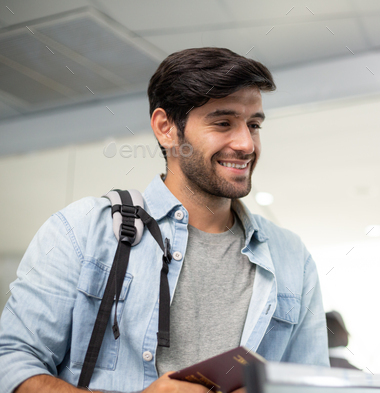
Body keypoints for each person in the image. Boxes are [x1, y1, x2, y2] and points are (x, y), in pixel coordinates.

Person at [0, 47, 329, 393]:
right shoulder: (83, 231)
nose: (246, 143)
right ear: (166, 128)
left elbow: (314, 386)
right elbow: (9, 363)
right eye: (223, 123)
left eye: (254, 125)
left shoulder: (292, 257)